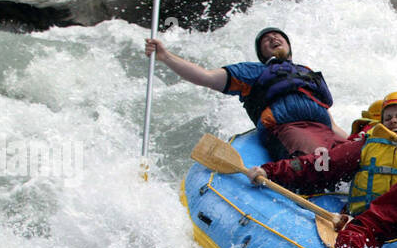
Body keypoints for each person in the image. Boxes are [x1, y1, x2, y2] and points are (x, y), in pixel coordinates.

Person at [143, 26, 345, 161]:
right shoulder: (253, 71)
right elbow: (206, 77)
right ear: (261, 53)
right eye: (266, 40)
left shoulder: (307, 73)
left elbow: (331, 122)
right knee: (321, 161)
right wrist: (166, 56)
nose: (273, 38)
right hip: (288, 130)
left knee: (360, 155)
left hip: (322, 130)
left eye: (277, 36)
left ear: (288, 45)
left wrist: (353, 140)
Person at [248, 91, 397, 208]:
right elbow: (318, 164)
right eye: (388, 117)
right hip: (367, 220)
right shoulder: (366, 145)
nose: (393, 121)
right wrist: (271, 171)